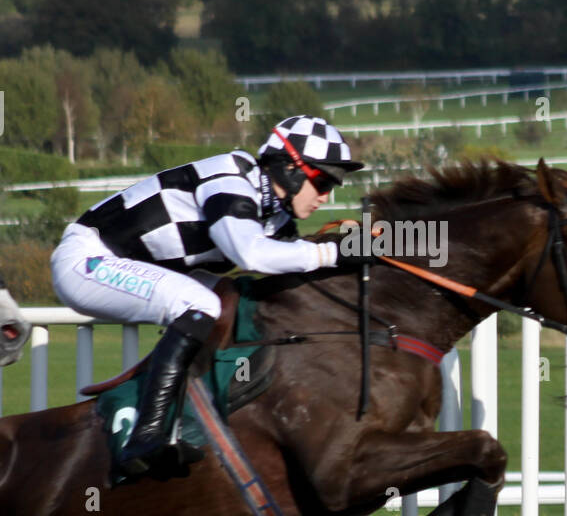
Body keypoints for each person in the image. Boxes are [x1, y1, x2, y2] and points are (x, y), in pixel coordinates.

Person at [51, 115, 367, 481]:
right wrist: (334, 253)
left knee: (229, 299)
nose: (327, 195)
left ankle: (193, 415)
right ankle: (146, 436)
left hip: (134, 265)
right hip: (87, 260)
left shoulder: (274, 217)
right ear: (290, 168)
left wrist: (366, 246)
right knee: (201, 304)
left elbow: (290, 262)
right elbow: (252, 255)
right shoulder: (231, 177)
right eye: (323, 181)